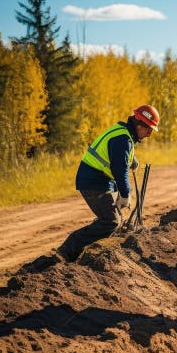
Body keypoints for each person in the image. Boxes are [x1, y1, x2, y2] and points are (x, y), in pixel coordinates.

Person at [55, 105, 159, 262]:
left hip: (99, 179)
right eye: (149, 129)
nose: (150, 134)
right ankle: (67, 251)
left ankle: (75, 253)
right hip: (93, 181)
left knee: (111, 219)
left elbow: (117, 156)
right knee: (111, 221)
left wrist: (130, 159)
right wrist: (126, 194)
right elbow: (120, 170)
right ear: (139, 124)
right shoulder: (123, 139)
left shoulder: (123, 133)